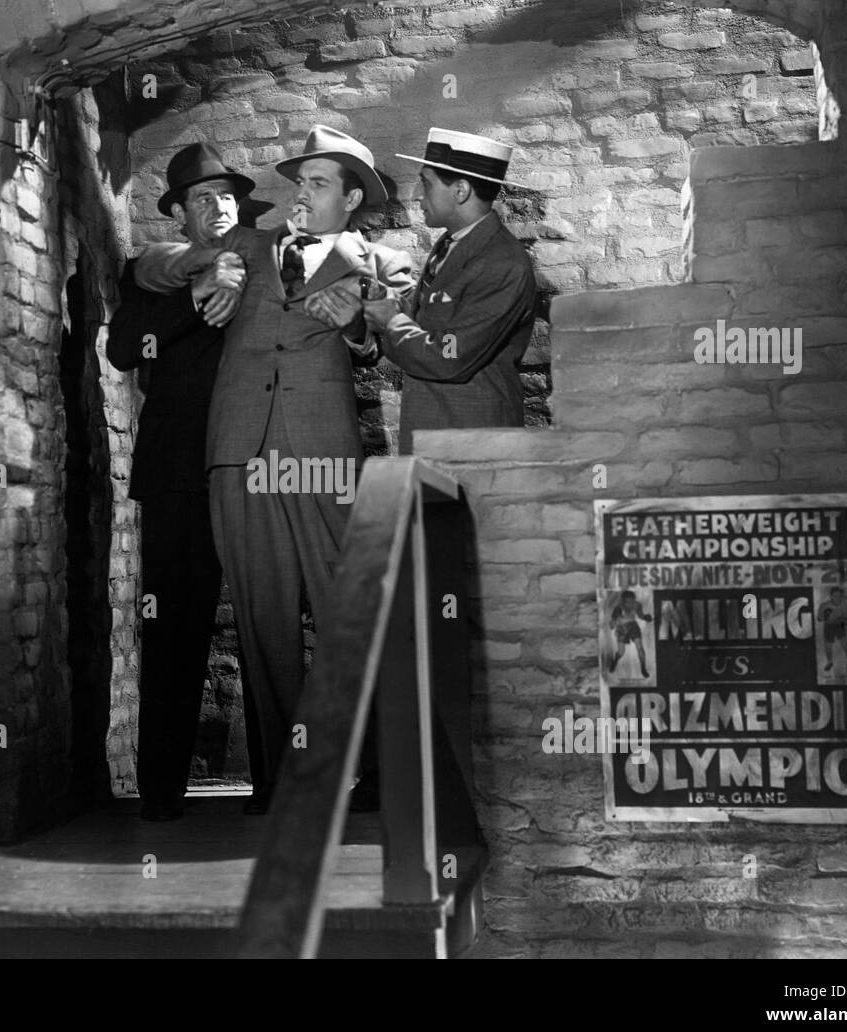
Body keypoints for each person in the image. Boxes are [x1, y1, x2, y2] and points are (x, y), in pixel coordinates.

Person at [133, 126, 414, 814]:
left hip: (321, 455)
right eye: (298, 182)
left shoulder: (378, 258)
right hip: (238, 452)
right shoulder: (247, 245)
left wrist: (357, 324)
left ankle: (375, 771)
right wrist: (206, 265)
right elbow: (147, 266)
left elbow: (389, 325)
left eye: (318, 184)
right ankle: (285, 780)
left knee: (346, 609)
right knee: (263, 622)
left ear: (352, 197)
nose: (300, 195)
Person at [106, 143, 257, 821]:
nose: (219, 206)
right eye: (204, 198)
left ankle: (276, 791)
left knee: (268, 629)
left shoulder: (261, 265)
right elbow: (121, 349)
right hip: (175, 475)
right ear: (180, 214)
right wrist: (197, 298)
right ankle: (162, 792)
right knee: (172, 632)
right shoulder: (152, 277)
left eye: (227, 195)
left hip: (257, 468)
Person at [356, 127, 538, 453]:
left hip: (473, 445)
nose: (418, 196)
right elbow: (431, 325)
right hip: (434, 438)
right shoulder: (451, 244)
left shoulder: (502, 263)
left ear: (461, 191)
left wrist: (390, 322)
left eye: (426, 184)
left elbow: (447, 356)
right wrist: (389, 303)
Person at [608, 590, 653, 678]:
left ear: (634, 600)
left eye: (631, 601)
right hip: (621, 628)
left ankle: (643, 668)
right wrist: (613, 624)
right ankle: (615, 661)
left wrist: (646, 617)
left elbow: (640, 615)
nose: (629, 604)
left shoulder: (637, 605)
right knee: (621, 652)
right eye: (627, 602)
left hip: (633, 626)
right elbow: (612, 621)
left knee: (640, 648)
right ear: (623, 601)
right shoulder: (618, 607)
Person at [819, 587, 847, 675]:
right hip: (828, 626)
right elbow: (819, 618)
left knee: (845, 645)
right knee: (828, 647)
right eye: (835, 596)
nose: (837, 598)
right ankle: (829, 662)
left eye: (839, 596)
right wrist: (825, 615)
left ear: (841, 596)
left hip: (839, 626)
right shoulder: (824, 605)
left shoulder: (844, 606)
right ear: (831, 596)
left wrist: (844, 622)